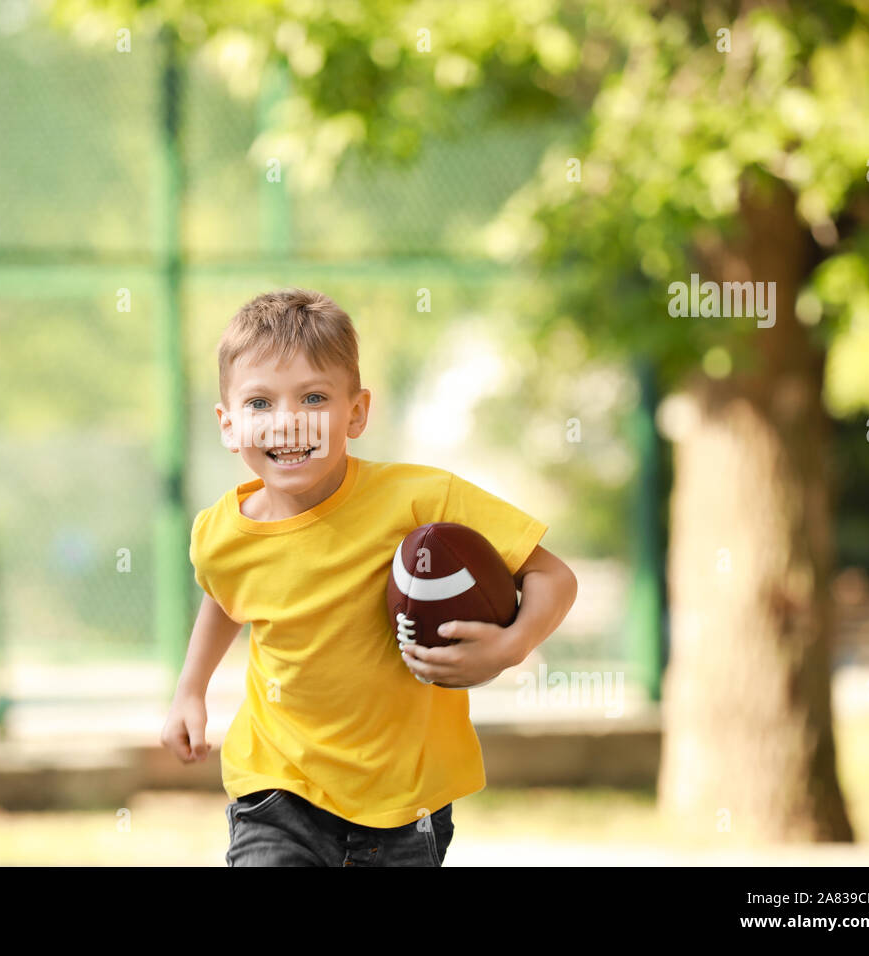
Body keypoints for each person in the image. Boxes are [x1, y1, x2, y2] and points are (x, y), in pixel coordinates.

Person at [161, 288, 578, 866]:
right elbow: (226, 598)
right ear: (229, 425)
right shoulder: (220, 534)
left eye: (313, 397)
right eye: (260, 403)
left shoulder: (424, 500)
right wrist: (190, 689)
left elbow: (553, 577)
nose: (287, 423)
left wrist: (511, 645)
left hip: (405, 806)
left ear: (355, 412)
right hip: (278, 786)